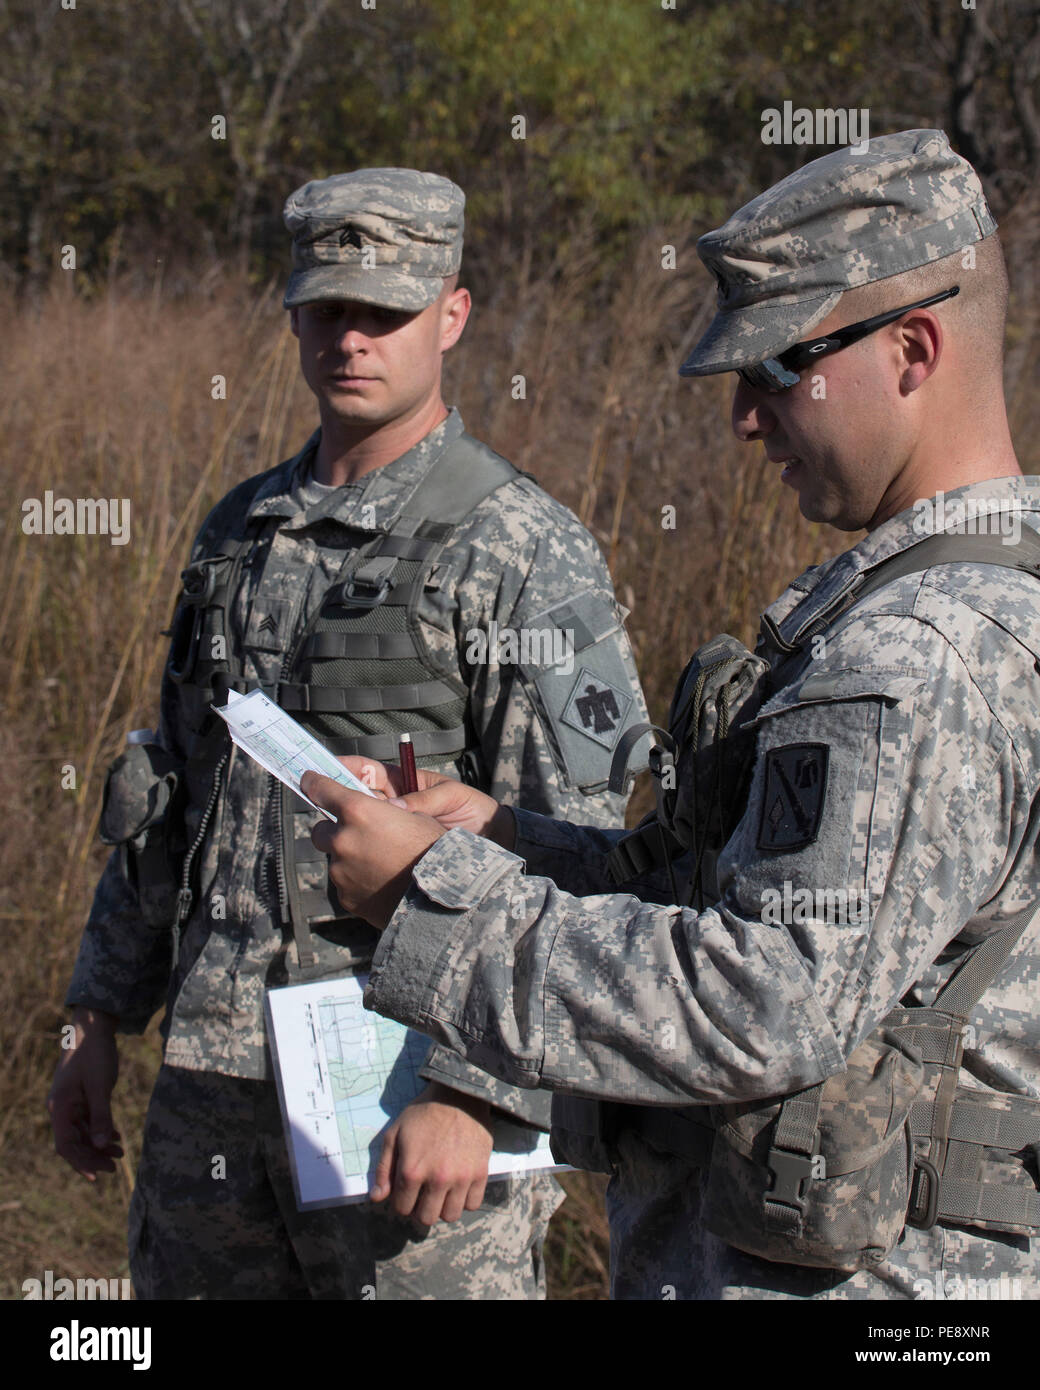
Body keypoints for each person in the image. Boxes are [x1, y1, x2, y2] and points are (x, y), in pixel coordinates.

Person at [301, 131, 1040, 1300]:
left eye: (774, 369)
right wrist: (500, 842)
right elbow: (746, 900)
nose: (745, 419)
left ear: (912, 348)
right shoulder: (938, 605)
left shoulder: (917, 656)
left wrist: (432, 900)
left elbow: (763, 1000)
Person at [48, 168, 650, 1300]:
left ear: (452, 317)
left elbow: (574, 852)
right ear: (292, 312)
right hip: (212, 1090)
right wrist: (95, 1019)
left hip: (403, 1100)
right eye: (329, 308)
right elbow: (167, 794)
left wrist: (480, 1094)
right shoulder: (239, 530)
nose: (353, 338)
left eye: (386, 312)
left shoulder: (518, 548)